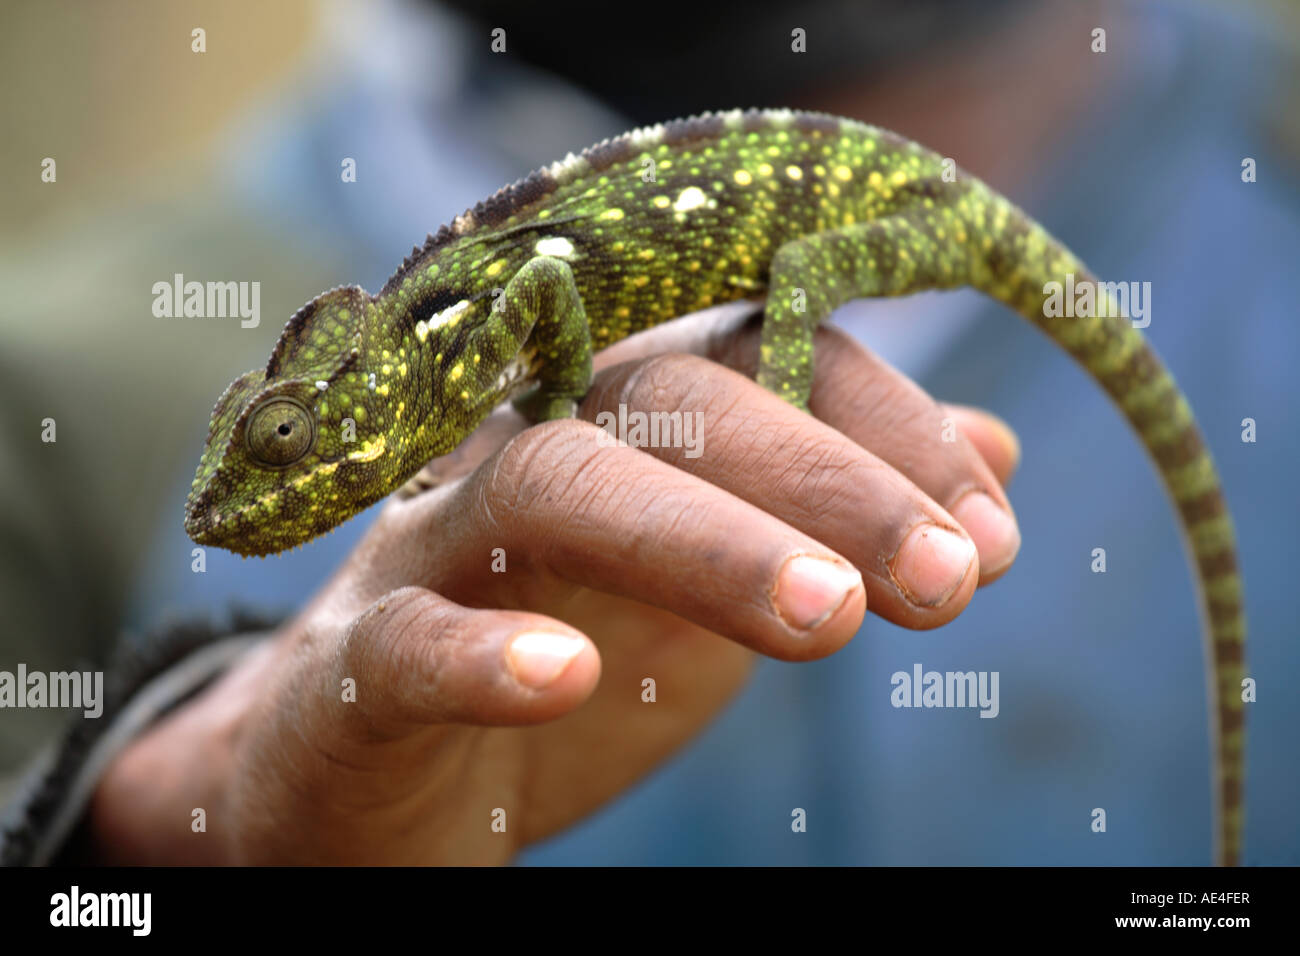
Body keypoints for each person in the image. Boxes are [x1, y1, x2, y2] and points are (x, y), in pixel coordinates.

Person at [2, 0, 1295, 864]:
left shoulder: (1264, 159)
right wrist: (146, 826)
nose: (262, 490)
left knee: (794, 291)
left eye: (282, 442)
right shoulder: (60, 375)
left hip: (870, 205)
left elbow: (555, 291)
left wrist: (565, 409)